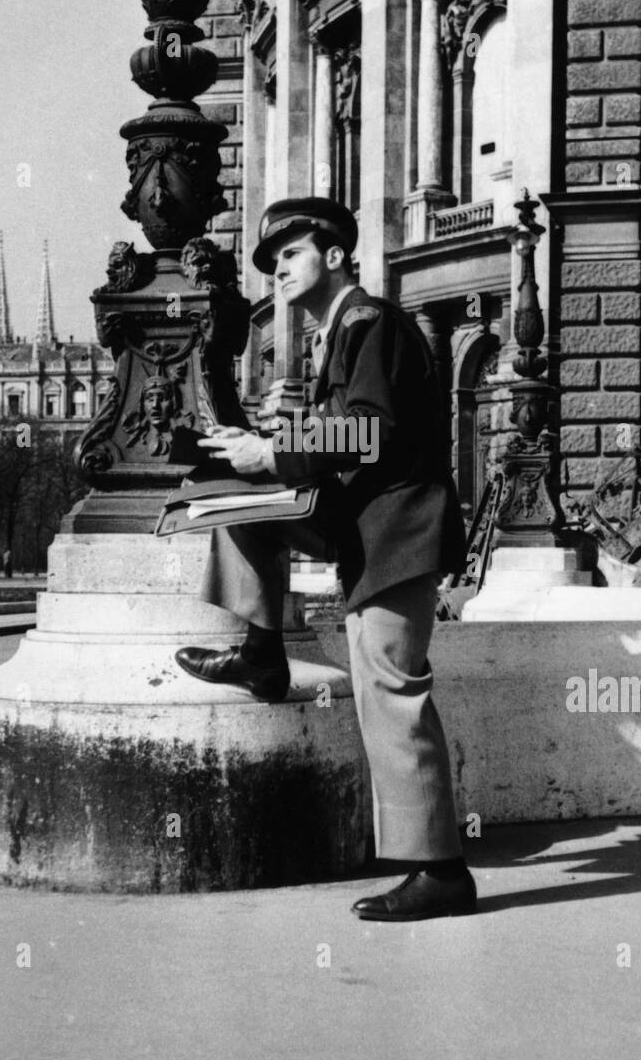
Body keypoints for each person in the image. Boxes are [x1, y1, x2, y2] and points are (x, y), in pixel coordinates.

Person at [174, 197, 476, 923]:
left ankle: (439, 870)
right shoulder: (337, 335)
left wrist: (276, 449)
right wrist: (254, 455)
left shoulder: (370, 323)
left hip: (399, 531)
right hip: (362, 525)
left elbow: (369, 436)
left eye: (292, 252)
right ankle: (262, 650)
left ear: (336, 256)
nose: (276, 267)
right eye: (271, 261)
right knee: (228, 497)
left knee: (390, 687)